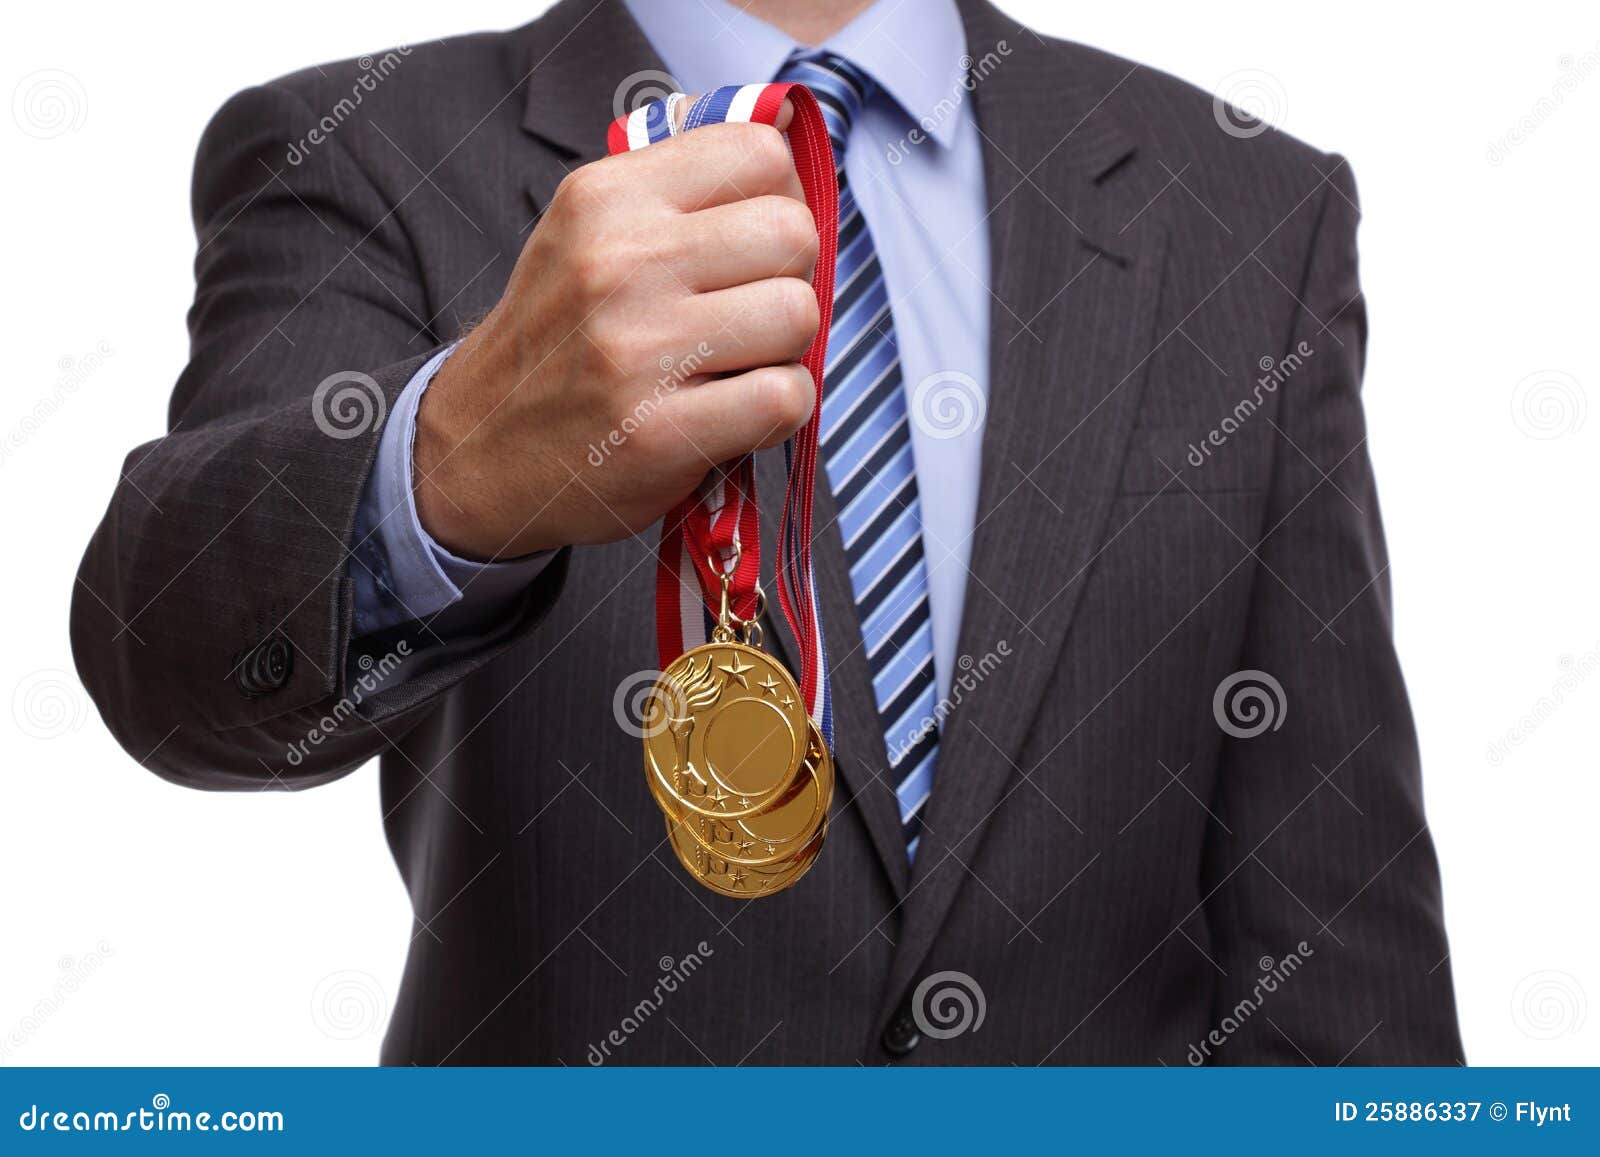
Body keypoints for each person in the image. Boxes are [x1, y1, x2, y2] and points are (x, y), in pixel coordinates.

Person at [70, 0, 1462, 1064]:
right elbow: (177, 655)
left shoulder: (1248, 212)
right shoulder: (361, 149)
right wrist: (448, 463)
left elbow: (1340, 940)